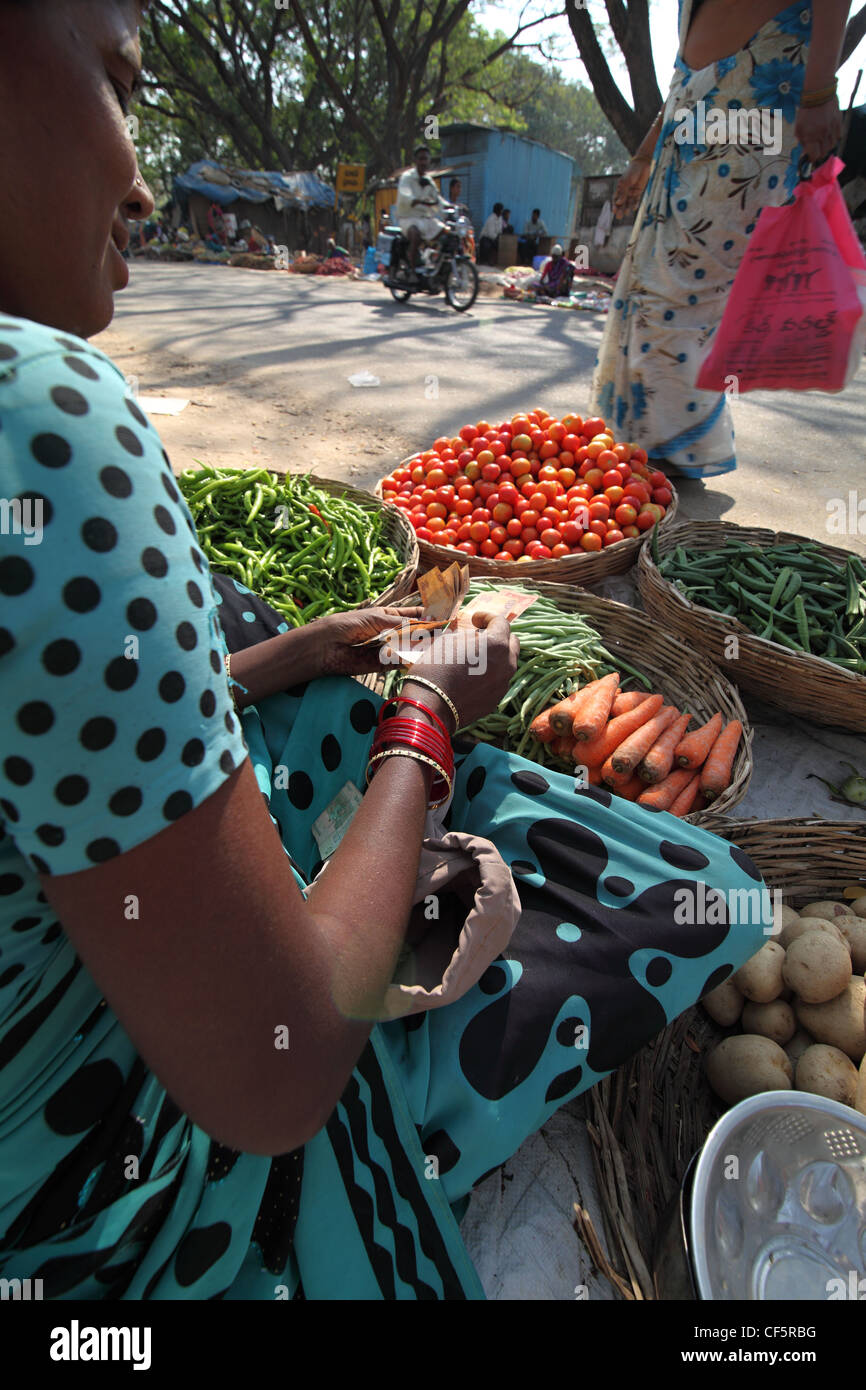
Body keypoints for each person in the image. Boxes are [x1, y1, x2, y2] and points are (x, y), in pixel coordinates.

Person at [0, 0, 769, 1301]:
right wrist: (426, 716)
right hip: (80, 1187)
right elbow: (276, 1066)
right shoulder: (40, 423)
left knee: (238, 619)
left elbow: (47, 731)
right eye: (121, 81)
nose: (139, 177)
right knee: (677, 875)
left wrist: (268, 664)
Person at [592, 0, 851, 480]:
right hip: (691, 117)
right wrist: (646, 153)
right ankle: (652, 452)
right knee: (652, 286)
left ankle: (670, 455)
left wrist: (817, 94)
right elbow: (681, 72)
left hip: (754, 103)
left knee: (683, 290)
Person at [394, 142, 449, 281]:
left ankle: (434, 263)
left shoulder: (429, 180)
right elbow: (405, 194)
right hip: (408, 218)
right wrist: (415, 200)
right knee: (415, 234)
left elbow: (438, 199)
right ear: (415, 160)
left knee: (446, 232)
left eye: (426, 159)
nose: (424, 162)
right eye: (421, 159)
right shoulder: (407, 177)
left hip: (425, 218)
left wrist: (451, 207)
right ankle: (411, 270)